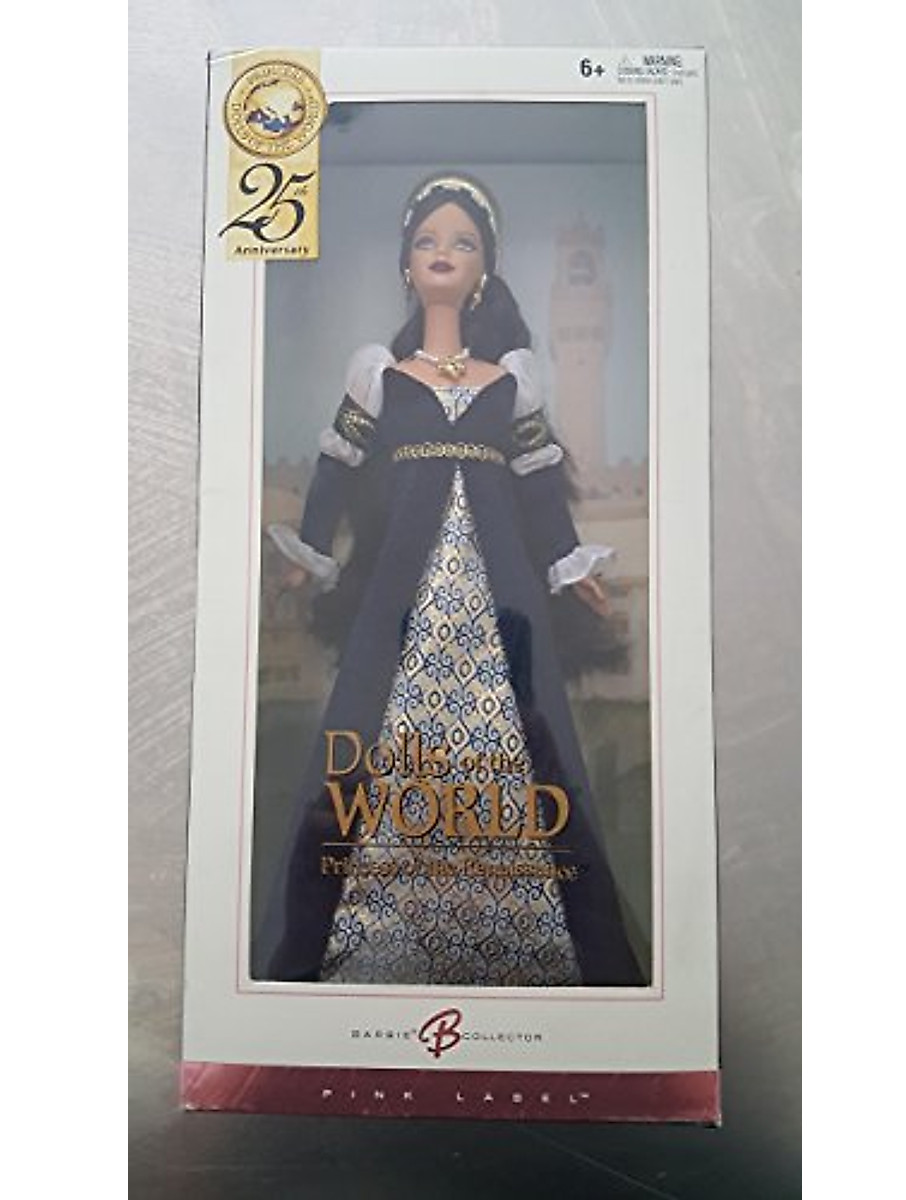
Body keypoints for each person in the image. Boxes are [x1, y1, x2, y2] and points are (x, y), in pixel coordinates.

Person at [254, 173, 644, 986]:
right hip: (402, 595)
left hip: (502, 598)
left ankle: (527, 936)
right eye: (428, 240)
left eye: (462, 242)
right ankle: (369, 936)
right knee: (377, 739)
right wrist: (308, 551)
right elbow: (337, 469)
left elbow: (539, 490)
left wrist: (570, 567)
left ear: (484, 270)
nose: (443, 253)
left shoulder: (510, 384)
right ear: (406, 262)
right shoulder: (381, 378)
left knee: (518, 742)